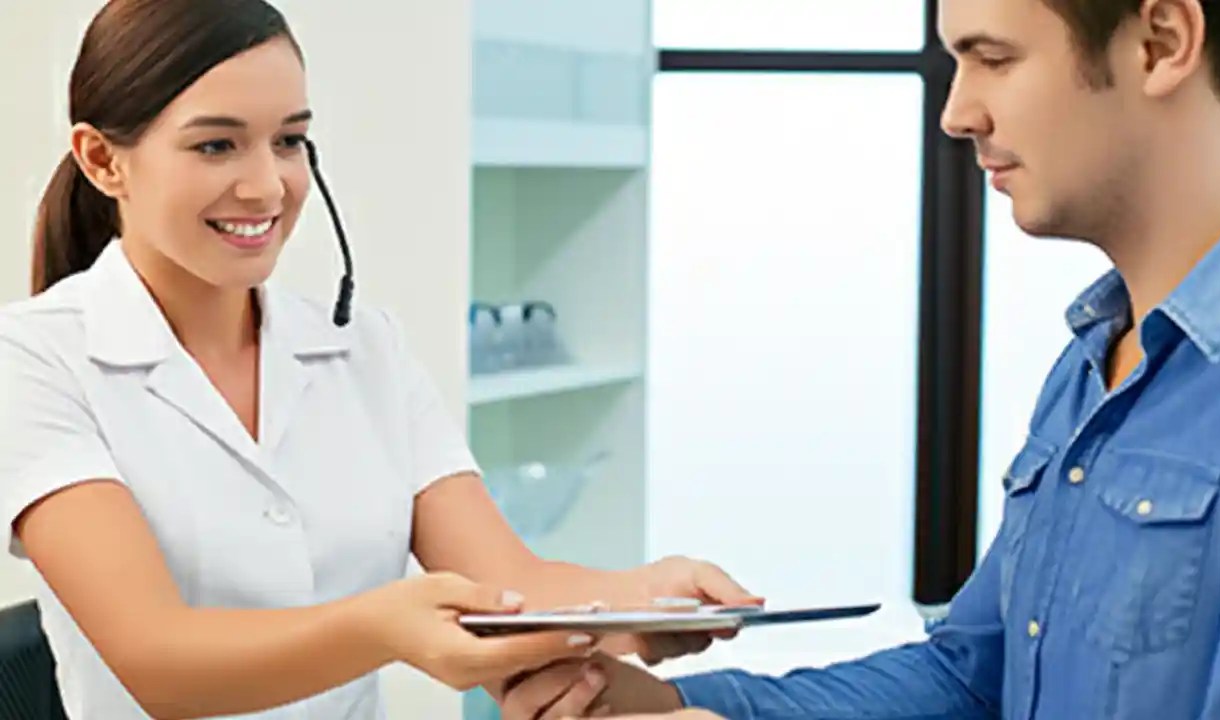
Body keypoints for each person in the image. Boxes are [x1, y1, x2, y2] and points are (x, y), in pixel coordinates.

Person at [497, 0, 1220, 718]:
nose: (956, 113)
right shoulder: (1100, 355)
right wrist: (673, 706)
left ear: (1160, 42)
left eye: (994, 59)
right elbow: (975, 679)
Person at [0, 1, 759, 718]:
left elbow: (508, 580)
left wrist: (639, 600)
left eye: (290, 140)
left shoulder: (366, 346)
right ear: (103, 160)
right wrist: (386, 627)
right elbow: (158, 657)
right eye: (215, 145)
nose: (267, 184)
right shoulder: (35, 358)